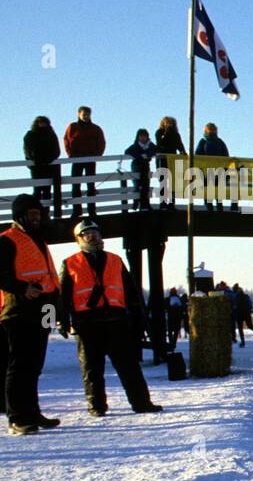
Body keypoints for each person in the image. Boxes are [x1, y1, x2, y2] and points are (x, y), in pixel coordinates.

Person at [57, 220, 162, 416]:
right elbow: (60, 297)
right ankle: (96, 406)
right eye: (86, 233)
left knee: (129, 367)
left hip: (116, 323)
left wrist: (138, 318)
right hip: (87, 325)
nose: (92, 236)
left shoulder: (116, 260)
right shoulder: (69, 263)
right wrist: (60, 321)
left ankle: (142, 403)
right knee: (92, 370)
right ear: (79, 239)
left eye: (95, 232)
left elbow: (131, 293)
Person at [0, 195, 61, 435]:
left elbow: (51, 278)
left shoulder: (39, 239)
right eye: (32, 214)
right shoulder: (7, 240)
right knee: (19, 365)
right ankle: (17, 418)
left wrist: (56, 312)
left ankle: (33, 413)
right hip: (19, 310)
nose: (37, 218)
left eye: (39, 214)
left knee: (35, 365)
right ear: (20, 216)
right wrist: (22, 288)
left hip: (45, 309)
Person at [63, 106, 106, 220]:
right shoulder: (72, 127)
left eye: (88, 114)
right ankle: (77, 210)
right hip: (76, 159)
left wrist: (97, 155)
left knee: (90, 185)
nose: (86, 117)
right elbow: (66, 140)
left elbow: (101, 142)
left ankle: (92, 210)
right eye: (84, 114)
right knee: (76, 185)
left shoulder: (95, 129)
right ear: (79, 114)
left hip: (90, 159)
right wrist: (71, 155)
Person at [23, 116, 61, 216]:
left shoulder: (51, 135)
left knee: (47, 191)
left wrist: (48, 160)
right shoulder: (31, 135)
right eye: (41, 123)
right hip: (36, 167)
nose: (43, 125)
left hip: (49, 166)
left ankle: (45, 213)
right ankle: (35, 213)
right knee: (37, 191)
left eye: (45, 123)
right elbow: (28, 152)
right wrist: (36, 160)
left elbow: (56, 151)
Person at [195, 122, 230, 212]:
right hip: (207, 171)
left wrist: (226, 169)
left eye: (213, 129)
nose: (212, 131)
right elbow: (197, 156)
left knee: (218, 191)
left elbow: (226, 156)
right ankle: (209, 208)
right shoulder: (203, 142)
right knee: (208, 191)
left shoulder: (220, 142)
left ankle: (219, 208)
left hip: (219, 171)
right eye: (210, 129)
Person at [154, 116, 185, 211]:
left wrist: (183, 151)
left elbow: (179, 144)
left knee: (173, 181)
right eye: (167, 123)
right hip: (162, 160)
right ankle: (162, 202)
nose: (169, 125)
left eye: (171, 123)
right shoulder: (159, 132)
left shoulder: (176, 134)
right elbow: (159, 143)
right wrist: (166, 133)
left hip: (172, 160)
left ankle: (172, 202)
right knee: (163, 180)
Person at [122, 130, 157, 211]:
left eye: (144, 136)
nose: (142, 138)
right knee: (138, 184)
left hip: (145, 166)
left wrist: (148, 155)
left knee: (145, 185)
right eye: (141, 136)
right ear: (138, 137)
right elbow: (127, 151)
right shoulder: (136, 145)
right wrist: (139, 156)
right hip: (136, 166)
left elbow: (156, 149)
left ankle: (145, 205)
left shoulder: (150, 145)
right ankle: (136, 203)